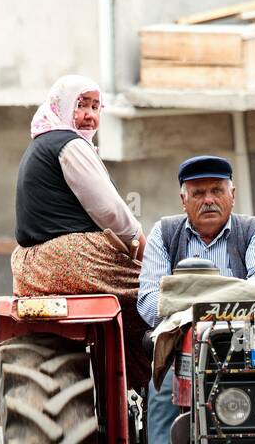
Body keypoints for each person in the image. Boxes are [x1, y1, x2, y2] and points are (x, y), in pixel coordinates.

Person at [138, 155, 255, 444]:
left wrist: (189, 300)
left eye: (217, 190)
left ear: (232, 194)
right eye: (198, 192)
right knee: (162, 388)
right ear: (183, 199)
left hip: (247, 352)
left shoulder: (254, 231)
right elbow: (150, 304)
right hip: (182, 353)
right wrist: (230, 298)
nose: (208, 200)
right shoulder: (164, 234)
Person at [10, 74, 150, 389]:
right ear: (61, 107)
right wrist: (143, 248)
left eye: (95, 106)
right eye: (81, 105)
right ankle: (156, 392)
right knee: (161, 295)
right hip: (72, 258)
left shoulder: (39, 146)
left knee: (136, 319)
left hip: (30, 268)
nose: (89, 114)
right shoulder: (69, 143)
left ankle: (128, 391)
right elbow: (110, 210)